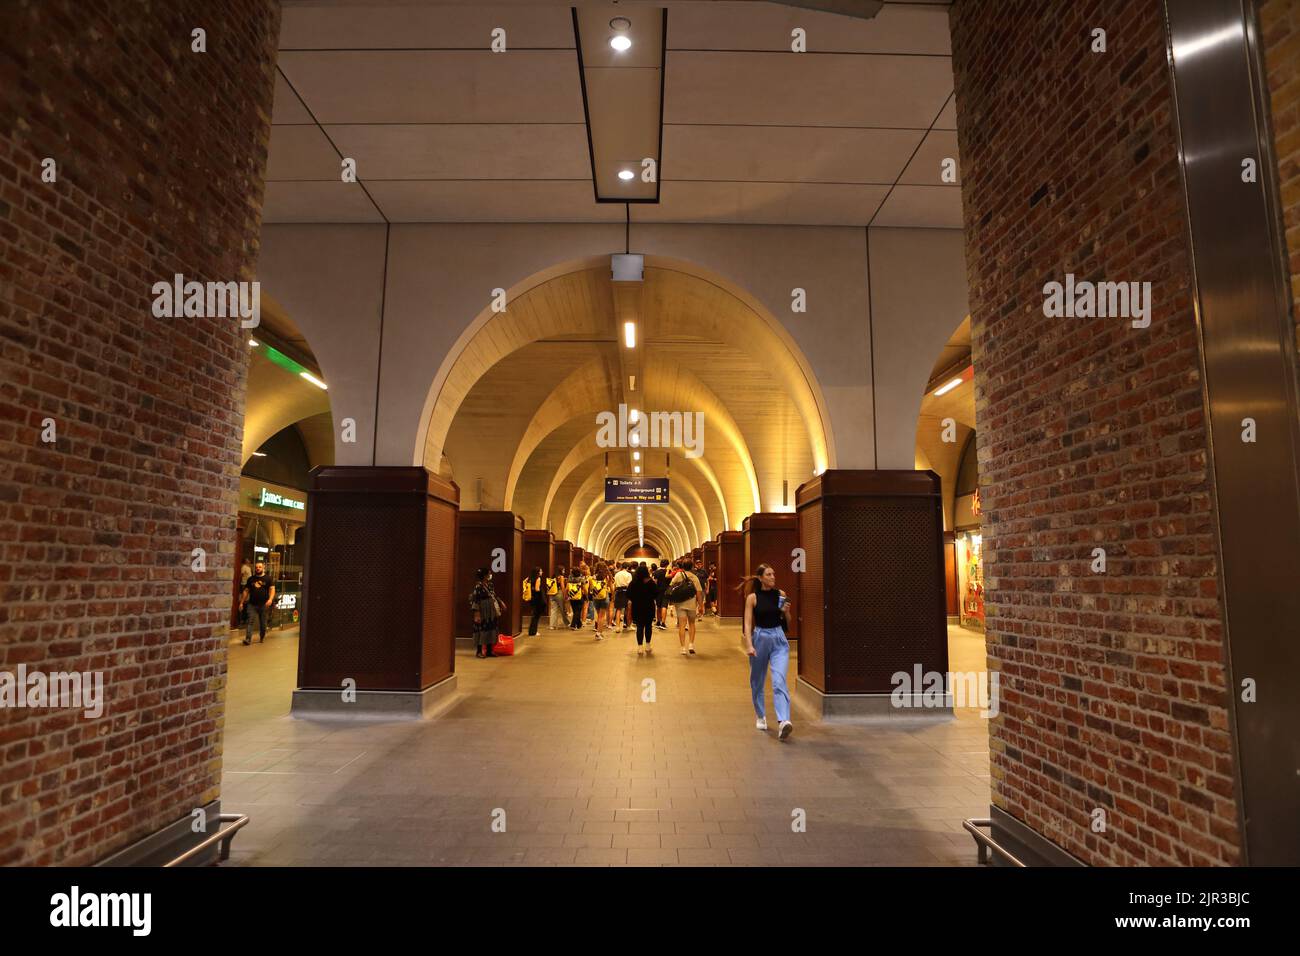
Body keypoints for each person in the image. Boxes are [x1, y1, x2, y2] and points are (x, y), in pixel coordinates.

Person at [741, 564, 794, 739]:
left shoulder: (781, 595)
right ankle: (761, 715)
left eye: (774, 574)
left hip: (778, 638)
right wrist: (749, 645)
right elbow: (748, 624)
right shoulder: (752, 598)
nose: (773, 577)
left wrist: (786, 612)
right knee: (757, 680)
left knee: (779, 680)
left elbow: (787, 622)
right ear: (761, 578)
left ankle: (783, 721)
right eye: (769, 574)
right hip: (760, 637)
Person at [668, 558, 704, 655]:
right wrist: (701, 606)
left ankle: (683, 647)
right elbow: (699, 593)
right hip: (692, 604)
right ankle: (691, 644)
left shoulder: (678, 575)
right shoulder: (694, 577)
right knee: (692, 624)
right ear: (692, 566)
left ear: (682, 566)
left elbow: (671, 585)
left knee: (682, 625)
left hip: (680, 604)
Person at [240, 559, 275, 645]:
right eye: (256, 567)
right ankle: (248, 639)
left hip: (264, 604)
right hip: (252, 604)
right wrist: (241, 602)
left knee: (263, 623)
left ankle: (262, 636)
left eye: (259, 567)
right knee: (250, 621)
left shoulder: (268, 578)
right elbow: (246, 591)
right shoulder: (251, 579)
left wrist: (270, 599)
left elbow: (272, 589)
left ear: (263, 568)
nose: (258, 568)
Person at [627, 563, 659, 656]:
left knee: (639, 626)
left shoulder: (633, 583)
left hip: (637, 606)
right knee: (648, 626)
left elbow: (628, 595)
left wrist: (634, 599)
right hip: (649, 606)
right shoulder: (650, 582)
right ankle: (648, 645)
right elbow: (656, 593)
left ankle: (640, 647)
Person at [470, 568, 501, 659]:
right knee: (481, 630)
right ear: (484, 575)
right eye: (489, 573)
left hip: (491, 611)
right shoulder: (478, 586)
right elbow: (475, 600)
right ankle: (479, 651)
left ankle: (489, 650)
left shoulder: (490, 585)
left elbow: (494, 595)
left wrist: (501, 602)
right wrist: (477, 613)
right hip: (482, 610)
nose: (490, 575)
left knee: (491, 628)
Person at [590, 563, 612, 640]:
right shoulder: (607, 577)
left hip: (596, 597)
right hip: (604, 597)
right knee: (602, 616)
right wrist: (613, 594)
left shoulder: (593, 577)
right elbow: (610, 587)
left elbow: (591, 587)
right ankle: (599, 633)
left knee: (599, 615)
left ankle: (599, 632)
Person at [526, 566, 546, 636]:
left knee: (534, 615)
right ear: (537, 572)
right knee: (536, 616)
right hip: (538, 599)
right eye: (540, 571)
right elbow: (537, 589)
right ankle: (534, 631)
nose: (542, 572)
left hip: (532, 598)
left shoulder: (529, 578)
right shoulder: (538, 578)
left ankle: (532, 631)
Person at [613, 561, 633, 631]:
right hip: (626, 592)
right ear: (627, 567)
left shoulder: (617, 574)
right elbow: (629, 585)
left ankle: (617, 627)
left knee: (618, 609)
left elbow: (614, 584)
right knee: (628, 609)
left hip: (618, 592)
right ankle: (628, 626)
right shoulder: (628, 574)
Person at [654, 561, 670, 629]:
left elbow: (655, 582)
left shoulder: (656, 572)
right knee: (664, 606)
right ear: (667, 565)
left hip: (658, 591)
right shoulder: (668, 572)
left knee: (658, 606)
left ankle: (658, 621)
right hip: (666, 591)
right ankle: (663, 623)